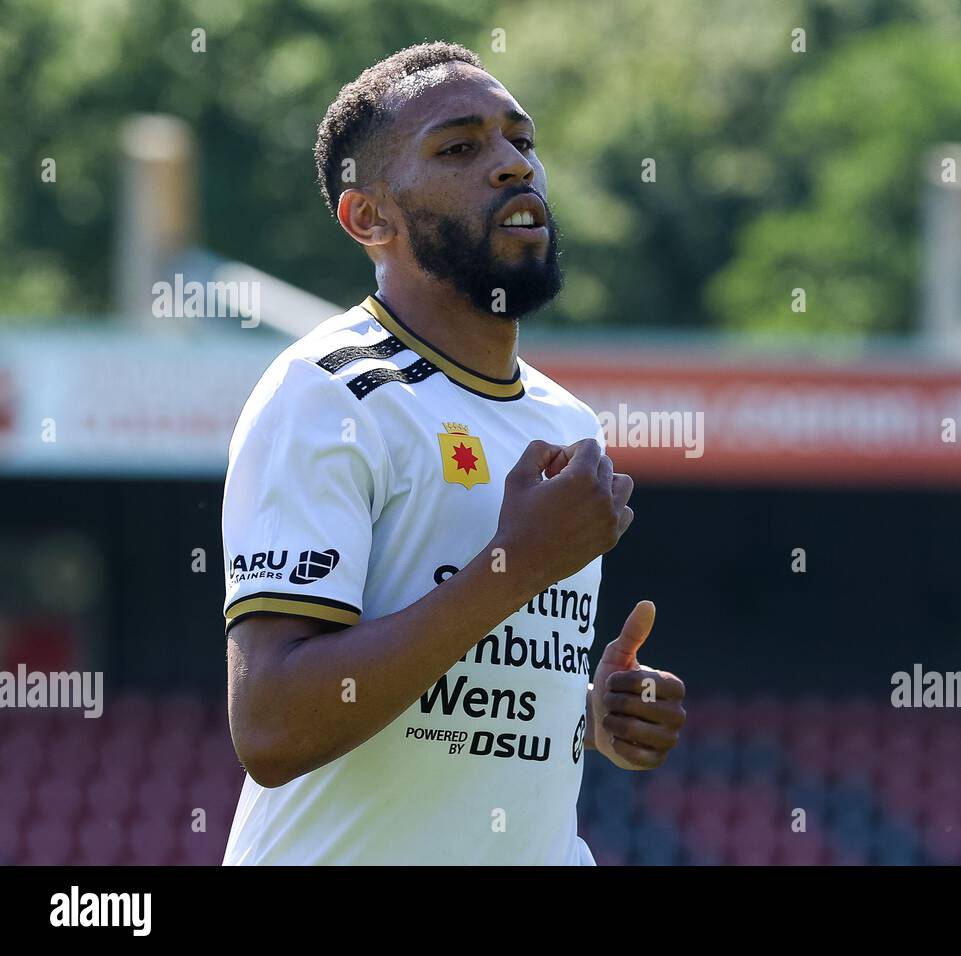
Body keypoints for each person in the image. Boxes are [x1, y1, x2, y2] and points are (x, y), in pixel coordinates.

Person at [220, 41, 686, 864]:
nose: (513, 165)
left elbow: (459, 685)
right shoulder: (327, 393)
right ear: (370, 218)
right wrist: (516, 564)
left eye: (522, 141)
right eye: (460, 147)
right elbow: (272, 724)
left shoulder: (566, 418)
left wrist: (586, 714)